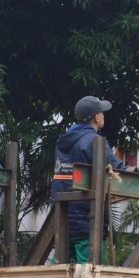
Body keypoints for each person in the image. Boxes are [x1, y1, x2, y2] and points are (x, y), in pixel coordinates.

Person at [51, 96, 130, 264]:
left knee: (60, 277)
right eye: (102, 113)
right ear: (97, 117)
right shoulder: (94, 141)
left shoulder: (62, 143)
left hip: (63, 222)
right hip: (88, 222)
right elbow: (119, 170)